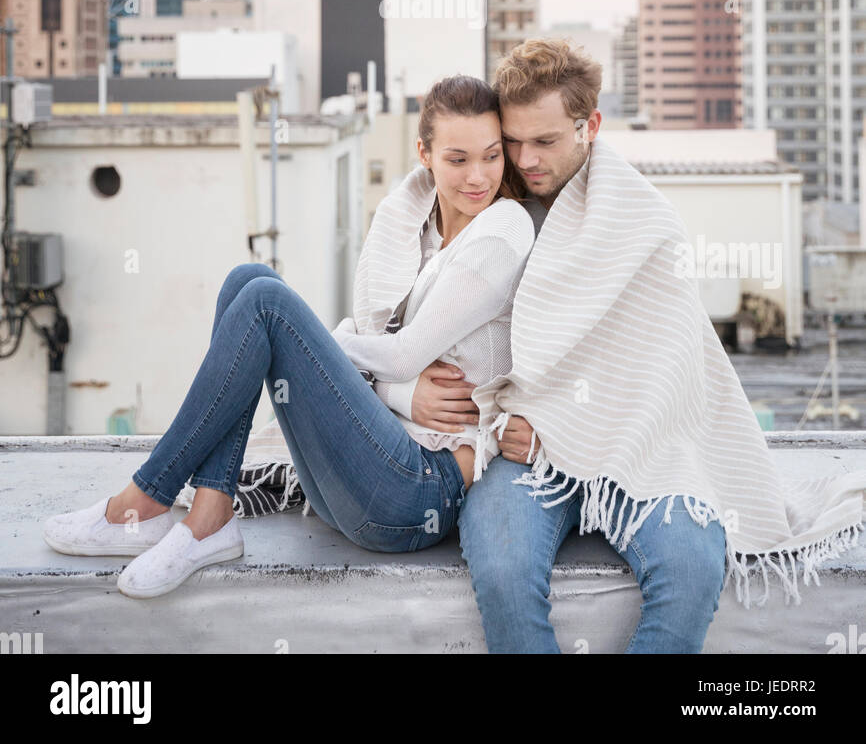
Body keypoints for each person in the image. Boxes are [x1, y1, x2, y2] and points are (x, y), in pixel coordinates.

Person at [41, 75, 536, 600]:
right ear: (425, 154)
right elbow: (383, 354)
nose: (478, 177)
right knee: (247, 281)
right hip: (365, 466)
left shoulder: (502, 230)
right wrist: (391, 387)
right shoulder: (411, 219)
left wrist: (325, 342)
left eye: (491, 156)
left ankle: (143, 499)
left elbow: (406, 353)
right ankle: (212, 514)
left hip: (414, 495)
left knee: (267, 305)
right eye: (458, 160)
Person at [456, 37, 865, 655]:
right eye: (513, 141)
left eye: (545, 141)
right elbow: (437, 341)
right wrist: (502, 426)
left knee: (695, 564)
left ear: (589, 125)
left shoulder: (644, 223)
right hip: (513, 451)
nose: (525, 158)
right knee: (504, 571)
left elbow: (665, 378)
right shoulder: (480, 201)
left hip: (634, 453)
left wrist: (559, 435)